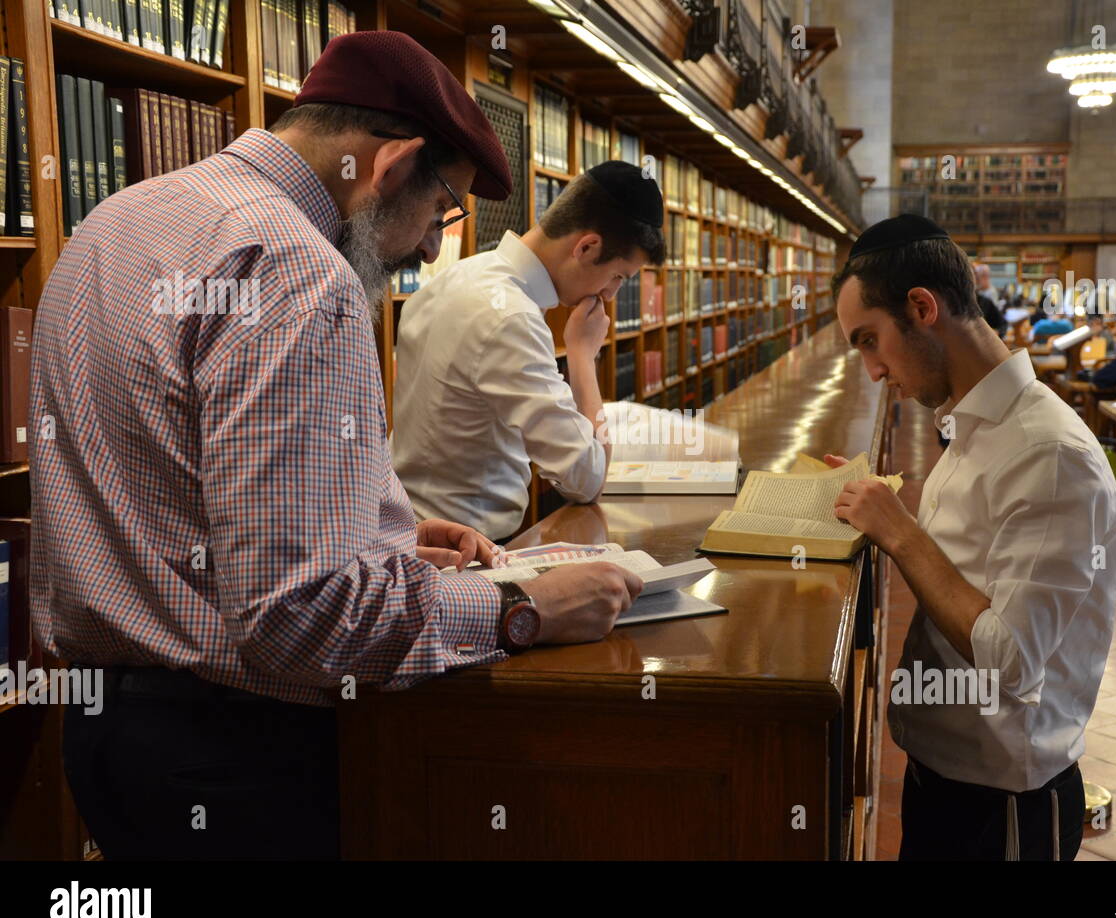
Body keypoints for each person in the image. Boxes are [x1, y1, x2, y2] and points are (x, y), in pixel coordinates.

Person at [28, 31, 642, 861]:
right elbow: (295, 612)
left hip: (103, 734)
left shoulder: (117, 219)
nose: (432, 246)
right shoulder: (298, 273)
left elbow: (174, 490)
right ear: (391, 167)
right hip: (236, 756)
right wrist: (520, 610)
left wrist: (381, 538)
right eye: (442, 209)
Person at [823, 214, 1116, 861]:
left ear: (922, 308)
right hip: (948, 779)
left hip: (1001, 808)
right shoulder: (974, 425)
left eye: (871, 340)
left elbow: (1011, 660)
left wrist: (902, 533)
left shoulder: (1047, 453)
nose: (873, 370)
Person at [393, 162, 665, 542]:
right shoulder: (511, 318)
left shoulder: (459, 276)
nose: (610, 294)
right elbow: (587, 479)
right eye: (618, 276)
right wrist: (583, 357)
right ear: (587, 247)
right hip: (465, 550)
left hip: (409, 527)